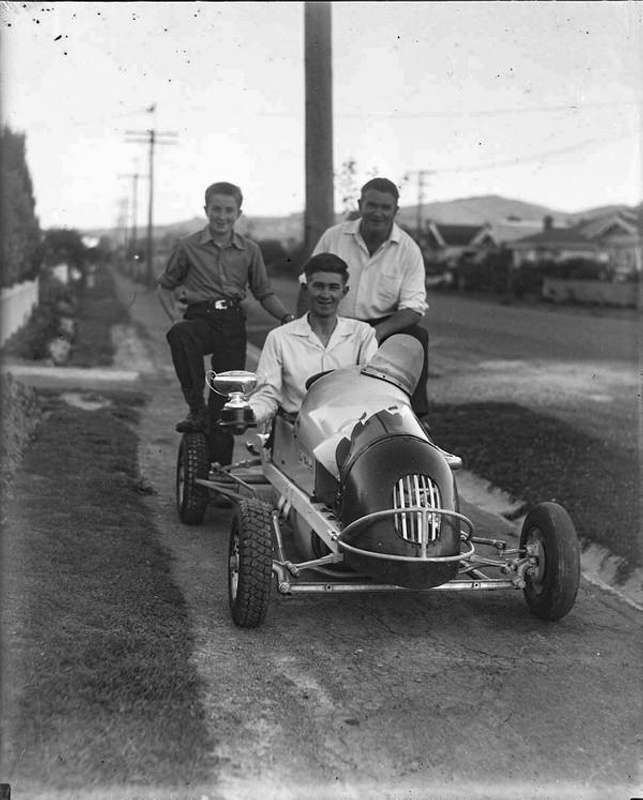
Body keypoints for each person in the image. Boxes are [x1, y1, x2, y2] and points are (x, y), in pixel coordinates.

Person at [156, 181, 295, 466]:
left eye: (228, 210)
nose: (222, 216)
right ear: (206, 209)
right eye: (216, 209)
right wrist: (175, 319)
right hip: (200, 318)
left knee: (225, 404)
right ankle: (196, 408)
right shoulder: (187, 246)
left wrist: (286, 318)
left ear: (239, 213)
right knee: (181, 334)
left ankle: (219, 473)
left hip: (232, 323)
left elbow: (264, 292)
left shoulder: (249, 250)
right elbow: (165, 287)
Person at [296, 177, 430, 422]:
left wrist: (376, 333)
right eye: (371, 205)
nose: (377, 213)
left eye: (385, 207)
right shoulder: (334, 237)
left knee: (416, 336)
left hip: (381, 326)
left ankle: (414, 418)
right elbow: (308, 284)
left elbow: (413, 308)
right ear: (360, 204)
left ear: (395, 211)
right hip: (334, 321)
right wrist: (299, 327)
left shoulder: (408, 249)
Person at [248, 253, 378, 426]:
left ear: (344, 291)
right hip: (297, 429)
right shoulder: (279, 338)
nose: (325, 295)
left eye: (333, 287)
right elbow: (266, 394)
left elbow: (373, 387)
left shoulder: (363, 334)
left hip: (349, 430)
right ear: (305, 288)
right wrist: (249, 414)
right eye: (318, 286)